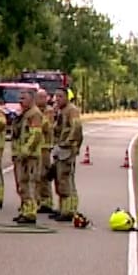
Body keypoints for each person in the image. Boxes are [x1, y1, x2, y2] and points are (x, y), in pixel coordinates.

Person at [12, 88, 46, 225]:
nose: (20, 101)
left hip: (30, 156)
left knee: (29, 184)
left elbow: (36, 135)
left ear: (32, 99)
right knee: (22, 184)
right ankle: (25, 210)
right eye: (19, 98)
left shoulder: (34, 114)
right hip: (21, 155)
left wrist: (26, 151)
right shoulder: (24, 114)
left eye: (23, 98)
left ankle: (30, 212)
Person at [50, 91, 84, 222]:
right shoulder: (61, 111)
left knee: (65, 179)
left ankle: (69, 210)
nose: (57, 99)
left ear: (66, 97)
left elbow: (77, 127)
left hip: (66, 150)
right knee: (60, 179)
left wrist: (68, 143)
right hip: (60, 149)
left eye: (60, 96)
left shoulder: (71, 110)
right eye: (56, 96)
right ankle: (63, 208)